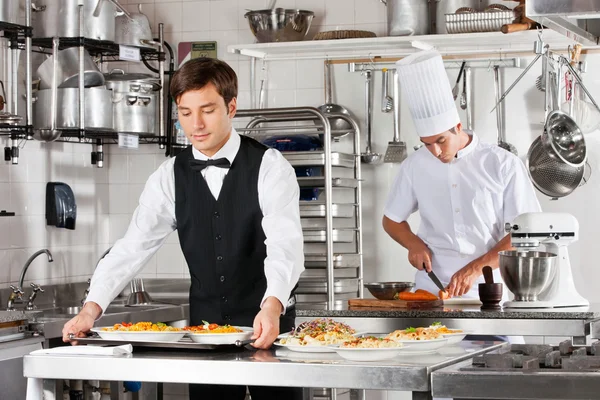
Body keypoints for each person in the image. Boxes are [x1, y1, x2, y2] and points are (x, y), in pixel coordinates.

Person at [61, 57, 304, 400]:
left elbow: (285, 245)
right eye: (185, 113)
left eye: (207, 110)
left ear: (231, 107)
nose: (196, 124)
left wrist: (272, 305)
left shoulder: (270, 167)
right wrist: (91, 308)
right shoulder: (168, 177)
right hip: (205, 334)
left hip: (271, 322)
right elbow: (134, 246)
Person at [383, 49, 541, 303]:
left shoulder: (502, 164)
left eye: (440, 141)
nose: (434, 151)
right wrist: (413, 243)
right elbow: (391, 220)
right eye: (426, 144)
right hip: (430, 291)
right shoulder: (414, 165)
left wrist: (476, 267)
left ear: (458, 127)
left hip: (487, 289)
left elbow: (526, 233)